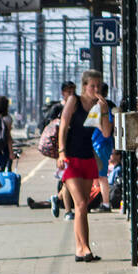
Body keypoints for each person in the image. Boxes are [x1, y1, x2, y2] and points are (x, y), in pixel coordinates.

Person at [57, 69, 104, 261]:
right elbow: (63, 124)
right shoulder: (73, 101)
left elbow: (106, 132)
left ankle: (80, 249)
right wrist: (61, 151)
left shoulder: (97, 106)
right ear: (84, 86)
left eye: (98, 86)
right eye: (92, 85)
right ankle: (85, 248)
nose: (95, 89)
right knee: (81, 204)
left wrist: (104, 109)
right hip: (70, 159)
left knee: (83, 207)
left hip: (87, 158)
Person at [27, 82, 76, 215]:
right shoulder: (58, 108)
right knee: (66, 179)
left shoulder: (77, 106)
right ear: (63, 93)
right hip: (62, 149)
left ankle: (56, 199)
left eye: (73, 90)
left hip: (75, 147)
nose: (71, 93)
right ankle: (67, 209)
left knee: (70, 179)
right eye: (68, 91)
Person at [88, 81, 115, 211]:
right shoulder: (100, 107)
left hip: (101, 145)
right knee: (97, 176)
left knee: (102, 176)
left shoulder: (104, 108)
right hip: (97, 144)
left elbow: (106, 130)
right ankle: (99, 201)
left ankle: (105, 204)